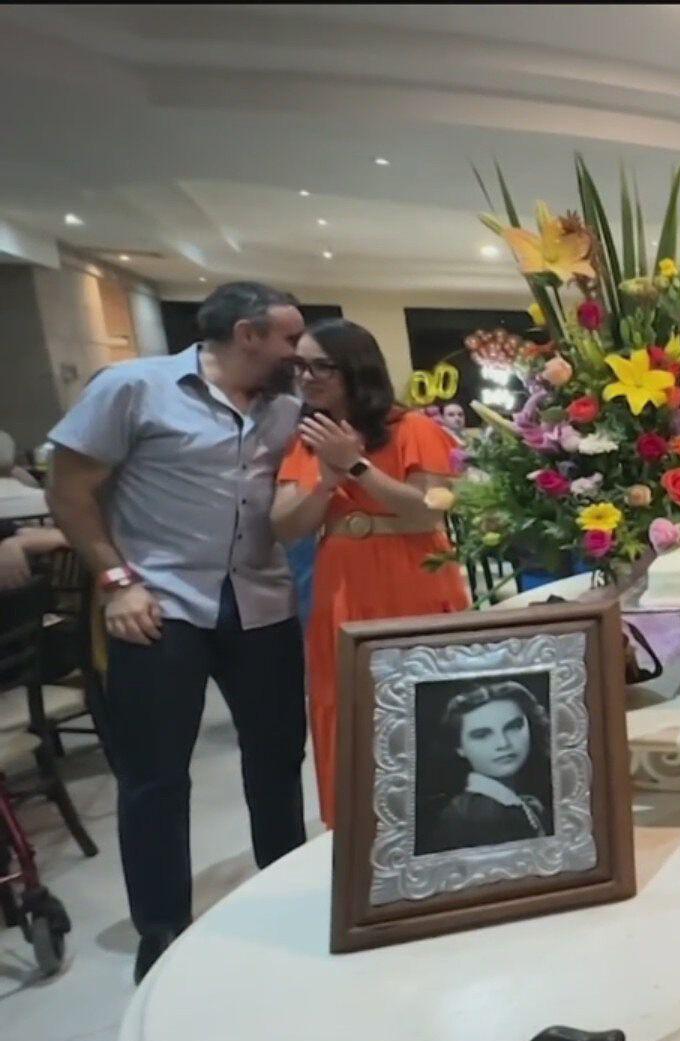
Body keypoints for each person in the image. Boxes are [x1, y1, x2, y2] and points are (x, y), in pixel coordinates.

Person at [46, 281, 311, 983]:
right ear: (248, 334)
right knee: (155, 776)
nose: (298, 350)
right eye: (289, 337)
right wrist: (116, 581)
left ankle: (285, 894)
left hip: (261, 601)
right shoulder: (135, 388)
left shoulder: (286, 403)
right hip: (159, 605)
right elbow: (68, 490)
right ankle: (161, 931)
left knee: (278, 758)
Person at [271, 319, 470, 829]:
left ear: (356, 369)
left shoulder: (414, 428)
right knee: (348, 701)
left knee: (428, 699)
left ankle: (444, 820)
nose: (307, 377)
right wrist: (325, 480)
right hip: (343, 584)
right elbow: (286, 526)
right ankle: (361, 829)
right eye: (299, 366)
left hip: (413, 575)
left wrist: (356, 467)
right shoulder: (307, 440)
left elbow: (427, 511)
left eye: (321, 366)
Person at [420, 680, 554, 854]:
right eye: (482, 735)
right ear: (459, 747)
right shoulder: (471, 817)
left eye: (513, 727)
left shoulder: (522, 804)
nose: (503, 743)